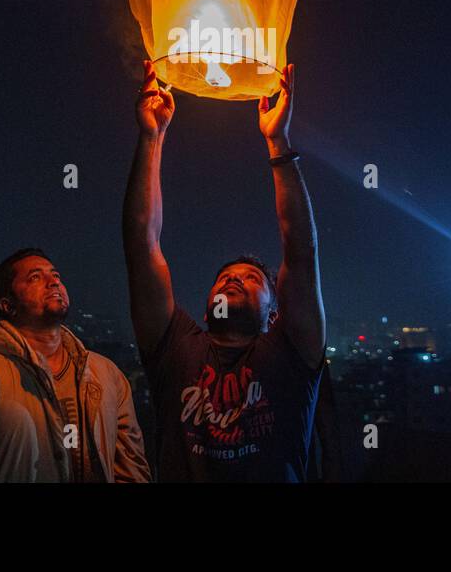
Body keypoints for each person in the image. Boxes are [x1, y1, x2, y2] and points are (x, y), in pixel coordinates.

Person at [122, 60, 325, 481]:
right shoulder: (175, 348)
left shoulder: (289, 355)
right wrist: (152, 136)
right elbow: (142, 244)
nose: (234, 278)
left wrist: (279, 142)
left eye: (251, 280)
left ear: (274, 313)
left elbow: (301, 252)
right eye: (226, 276)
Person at [0, 248, 150, 483]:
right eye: (35, 277)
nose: (53, 282)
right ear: (7, 305)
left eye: (55, 275)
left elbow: (131, 467)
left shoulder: (107, 374)